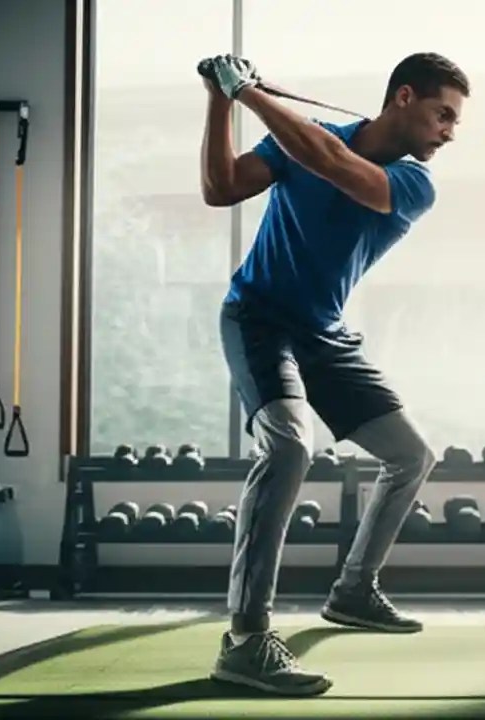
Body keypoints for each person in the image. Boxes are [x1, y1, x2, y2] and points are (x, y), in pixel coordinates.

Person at [197, 52, 469, 696]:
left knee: (412, 455)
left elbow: (333, 165)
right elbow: (221, 189)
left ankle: (353, 591)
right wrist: (219, 98)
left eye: (454, 122)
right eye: (443, 115)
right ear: (404, 97)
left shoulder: (412, 184)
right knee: (290, 447)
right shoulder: (302, 138)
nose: (449, 133)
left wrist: (249, 94)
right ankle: (245, 639)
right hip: (258, 319)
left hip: (324, 335)